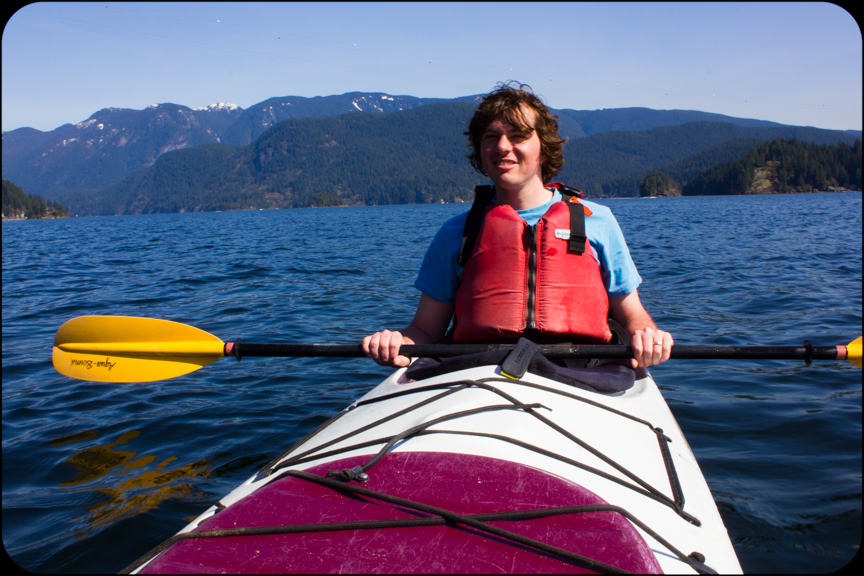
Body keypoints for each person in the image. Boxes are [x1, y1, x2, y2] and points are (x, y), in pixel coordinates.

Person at [363, 81, 673, 370]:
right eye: (491, 137)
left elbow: (632, 315)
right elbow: (424, 330)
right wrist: (398, 342)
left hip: (583, 372)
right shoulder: (455, 233)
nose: (502, 146)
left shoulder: (597, 221)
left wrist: (647, 334)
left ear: (544, 147)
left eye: (518, 136)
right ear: (480, 150)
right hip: (476, 374)